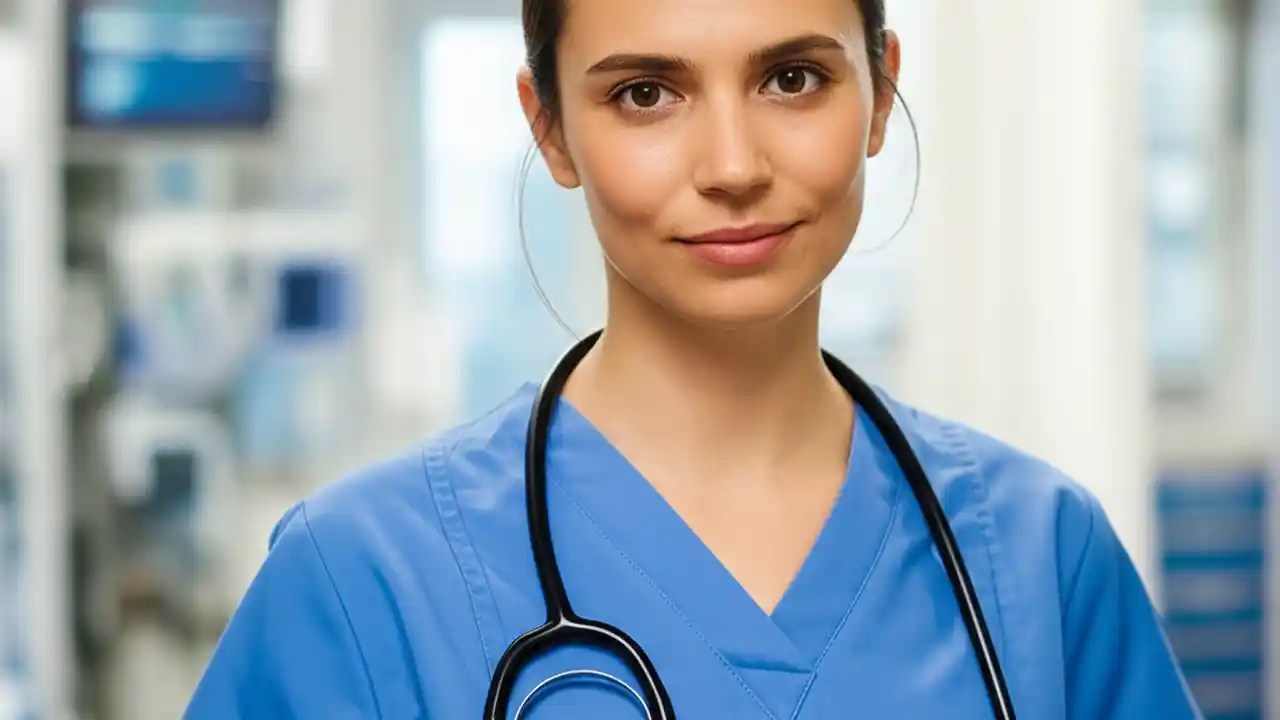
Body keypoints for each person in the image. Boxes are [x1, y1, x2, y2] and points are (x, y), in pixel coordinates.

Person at [186, 0, 1202, 716]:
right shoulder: (366, 581)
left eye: (792, 78)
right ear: (549, 129)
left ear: (880, 93)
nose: (731, 167)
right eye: (643, 94)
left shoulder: (1034, 558)